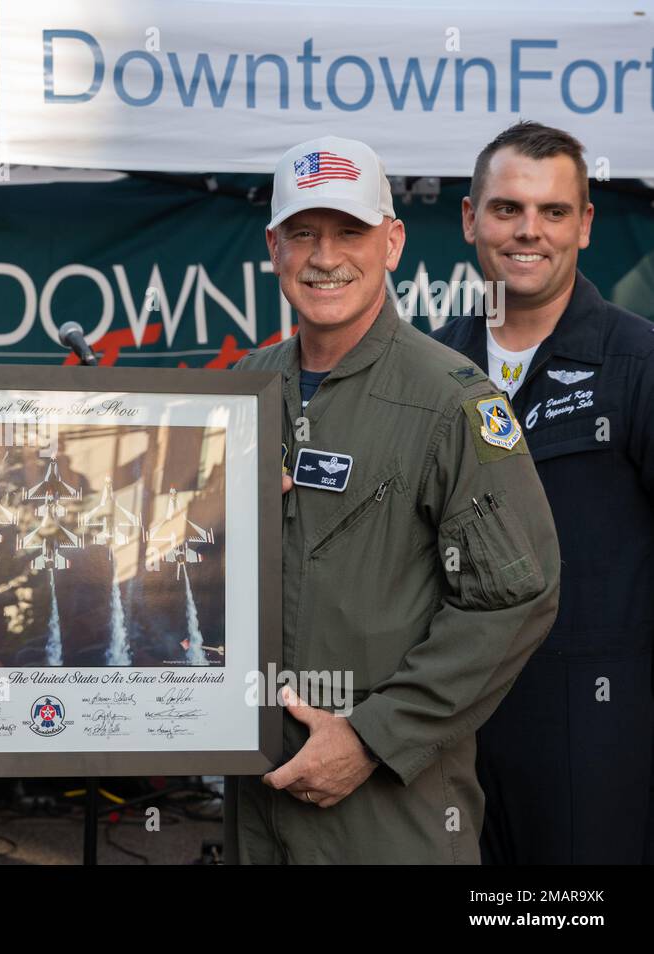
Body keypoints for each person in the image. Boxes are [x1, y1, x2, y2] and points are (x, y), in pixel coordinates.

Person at [231, 135, 561, 863]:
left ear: (392, 241)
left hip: (388, 818)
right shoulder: (240, 391)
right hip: (254, 806)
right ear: (272, 246)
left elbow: (517, 597)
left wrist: (373, 738)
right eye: (303, 233)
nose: (325, 256)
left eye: (350, 231)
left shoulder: (452, 400)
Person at [432, 121, 654, 864]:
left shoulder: (638, 362)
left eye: (554, 211)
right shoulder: (431, 367)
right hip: (448, 727)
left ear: (585, 224)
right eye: (507, 209)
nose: (530, 232)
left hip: (596, 735)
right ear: (471, 218)